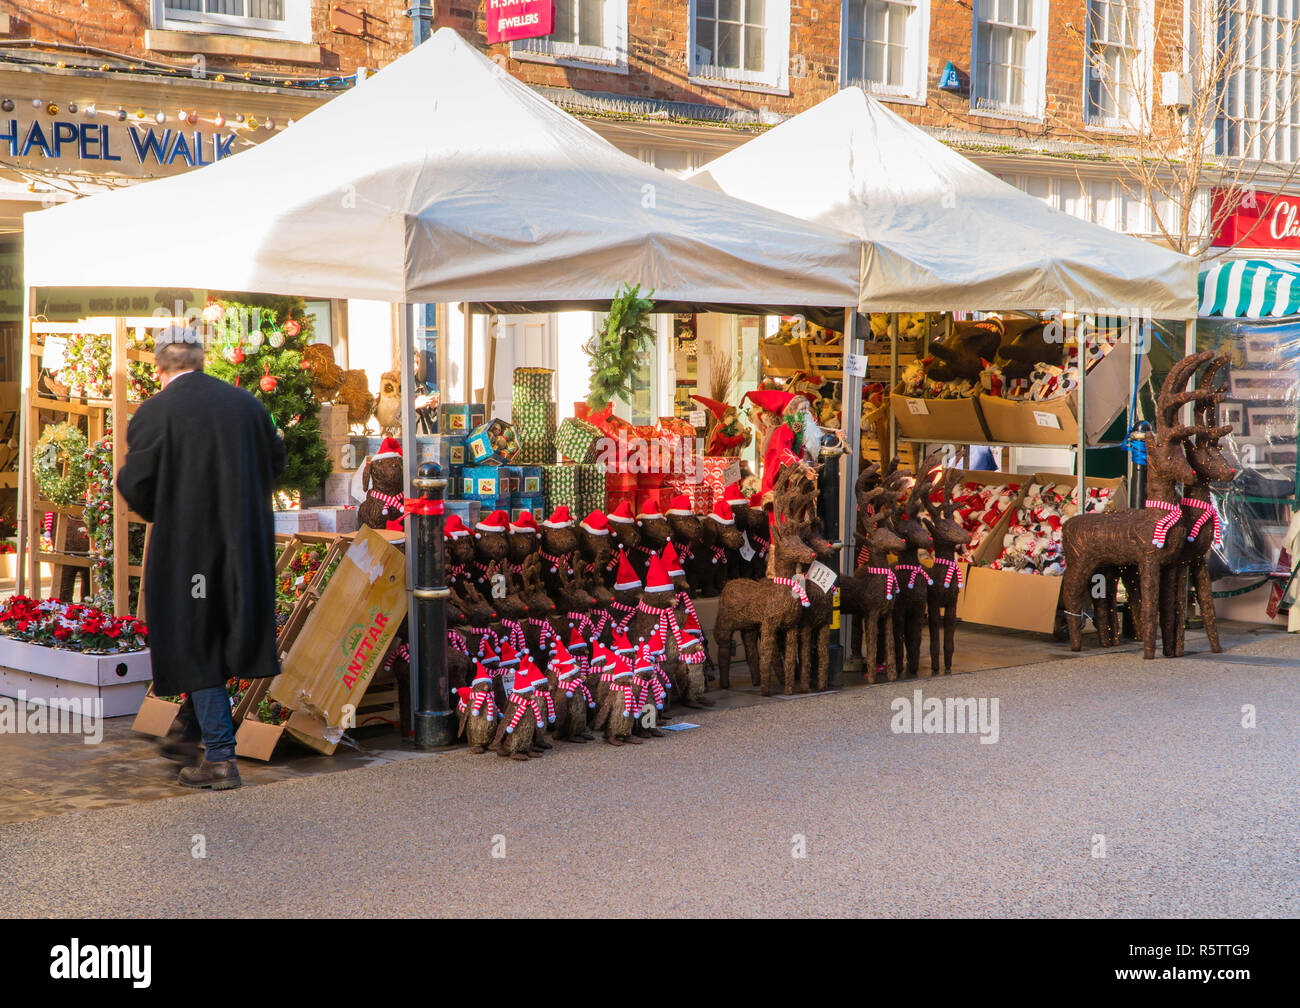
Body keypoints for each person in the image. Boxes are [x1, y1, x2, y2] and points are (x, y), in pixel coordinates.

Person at [117, 324, 286, 790]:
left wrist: (162, 511)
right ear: (202, 359)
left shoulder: (155, 411)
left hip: (189, 548)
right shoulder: (249, 405)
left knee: (197, 638)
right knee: (223, 631)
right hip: (244, 545)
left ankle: (219, 757)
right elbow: (276, 465)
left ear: (159, 366)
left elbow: (138, 483)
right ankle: (188, 732)